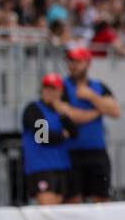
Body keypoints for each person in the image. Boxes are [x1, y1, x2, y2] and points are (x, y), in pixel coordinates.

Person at [62, 45, 121, 203]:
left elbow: (115, 111)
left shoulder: (98, 87)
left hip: (97, 152)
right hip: (72, 153)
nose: (73, 65)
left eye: (77, 61)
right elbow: (72, 115)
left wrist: (91, 97)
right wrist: (99, 110)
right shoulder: (62, 87)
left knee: (102, 198)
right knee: (72, 200)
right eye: (70, 61)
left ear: (87, 63)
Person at [21, 74, 81, 205]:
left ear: (60, 92)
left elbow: (75, 132)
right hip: (42, 168)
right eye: (46, 88)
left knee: (72, 208)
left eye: (54, 89)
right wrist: (63, 135)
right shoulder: (34, 109)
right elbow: (43, 137)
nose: (50, 92)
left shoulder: (61, 112)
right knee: (48, 210)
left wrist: (63, 115)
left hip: (63, 167)